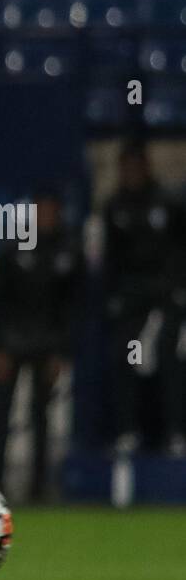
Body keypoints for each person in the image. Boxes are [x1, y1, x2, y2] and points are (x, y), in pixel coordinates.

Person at [0, 190, 80, 500]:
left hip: (46, 345)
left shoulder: (68, 252)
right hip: (11, 344)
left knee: (41, 417)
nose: (46, 217)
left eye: (51, 211)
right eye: (41, 211)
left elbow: (70, 307)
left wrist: (61, 352)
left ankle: (38, 489)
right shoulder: (13, 249)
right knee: (2, 415)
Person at [102, 142, 186, 455]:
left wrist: (177, 290)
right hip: (133, 301)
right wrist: (116, 298)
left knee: (169, 356)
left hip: (167, 299)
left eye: (137, 167)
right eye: (126, 167)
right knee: (127, 356)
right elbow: (111, 260)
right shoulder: (116, 207)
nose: (132, 173)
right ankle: (128, 431)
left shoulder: (169, 203)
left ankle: (176, 433)